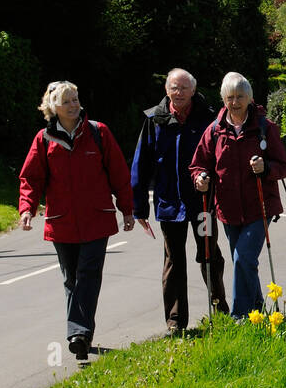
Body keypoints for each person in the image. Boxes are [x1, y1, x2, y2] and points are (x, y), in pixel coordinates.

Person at [18, 81, 134, 362]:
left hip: (97, 219)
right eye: (67, 101)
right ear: (53, 107)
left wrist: (127, 209)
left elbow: (119, 173)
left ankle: (78, 333)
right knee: (71, 278)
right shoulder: (44, 139)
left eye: (76, 99)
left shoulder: (98, 133)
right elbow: (31, 178)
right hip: (62, 222)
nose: (74, 105)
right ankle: (81, 333)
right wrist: (27, 208)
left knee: (88, 273)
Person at [130, 67, 228, 333]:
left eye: (184, 88)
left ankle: (220, 312)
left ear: (194, 90)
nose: (179, 92)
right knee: (173, 261)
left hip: (202, 204)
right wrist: (138, 207)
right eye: (174, 87)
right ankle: (175, 322)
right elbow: (141, 164)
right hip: (169, 204)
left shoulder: (208, 118)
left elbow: (221, 159)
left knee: (209, 255)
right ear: (166, 90)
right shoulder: (154, 119)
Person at [190, 72, 286, 319]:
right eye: (229, 97)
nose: (234, 102)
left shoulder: (265, 128)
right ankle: (257, 313)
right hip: (228, 209)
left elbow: (285, 166)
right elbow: (198, 164)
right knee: (245, 263)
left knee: (242, 257)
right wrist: (200, 178)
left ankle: (240, 316)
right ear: (224, 99)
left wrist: (266, 168)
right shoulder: (214, 131)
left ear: (249, 98)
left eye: (240, 96)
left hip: (260, 207)